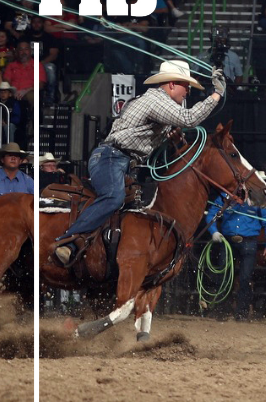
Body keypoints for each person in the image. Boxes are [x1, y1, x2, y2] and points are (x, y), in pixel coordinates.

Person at [53, 61, 225, 266]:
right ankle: (69, 242)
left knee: (136, 211)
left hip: (124, 162)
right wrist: (217, 94)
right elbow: (188, 119)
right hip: (110, 158)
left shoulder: (161, 107)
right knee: (113, 197)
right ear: (171, 84)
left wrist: (171, 139)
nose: (187, 91)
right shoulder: (156, 100)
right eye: (185, 86)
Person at [205, 190, 266, 321]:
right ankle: (222, 310)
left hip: (248, 241)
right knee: (224, 276)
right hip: (228, 241)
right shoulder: (224, 198)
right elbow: (211, 215)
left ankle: (241, 313)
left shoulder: (257, 199)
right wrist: (214, 231)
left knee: (245, 278)